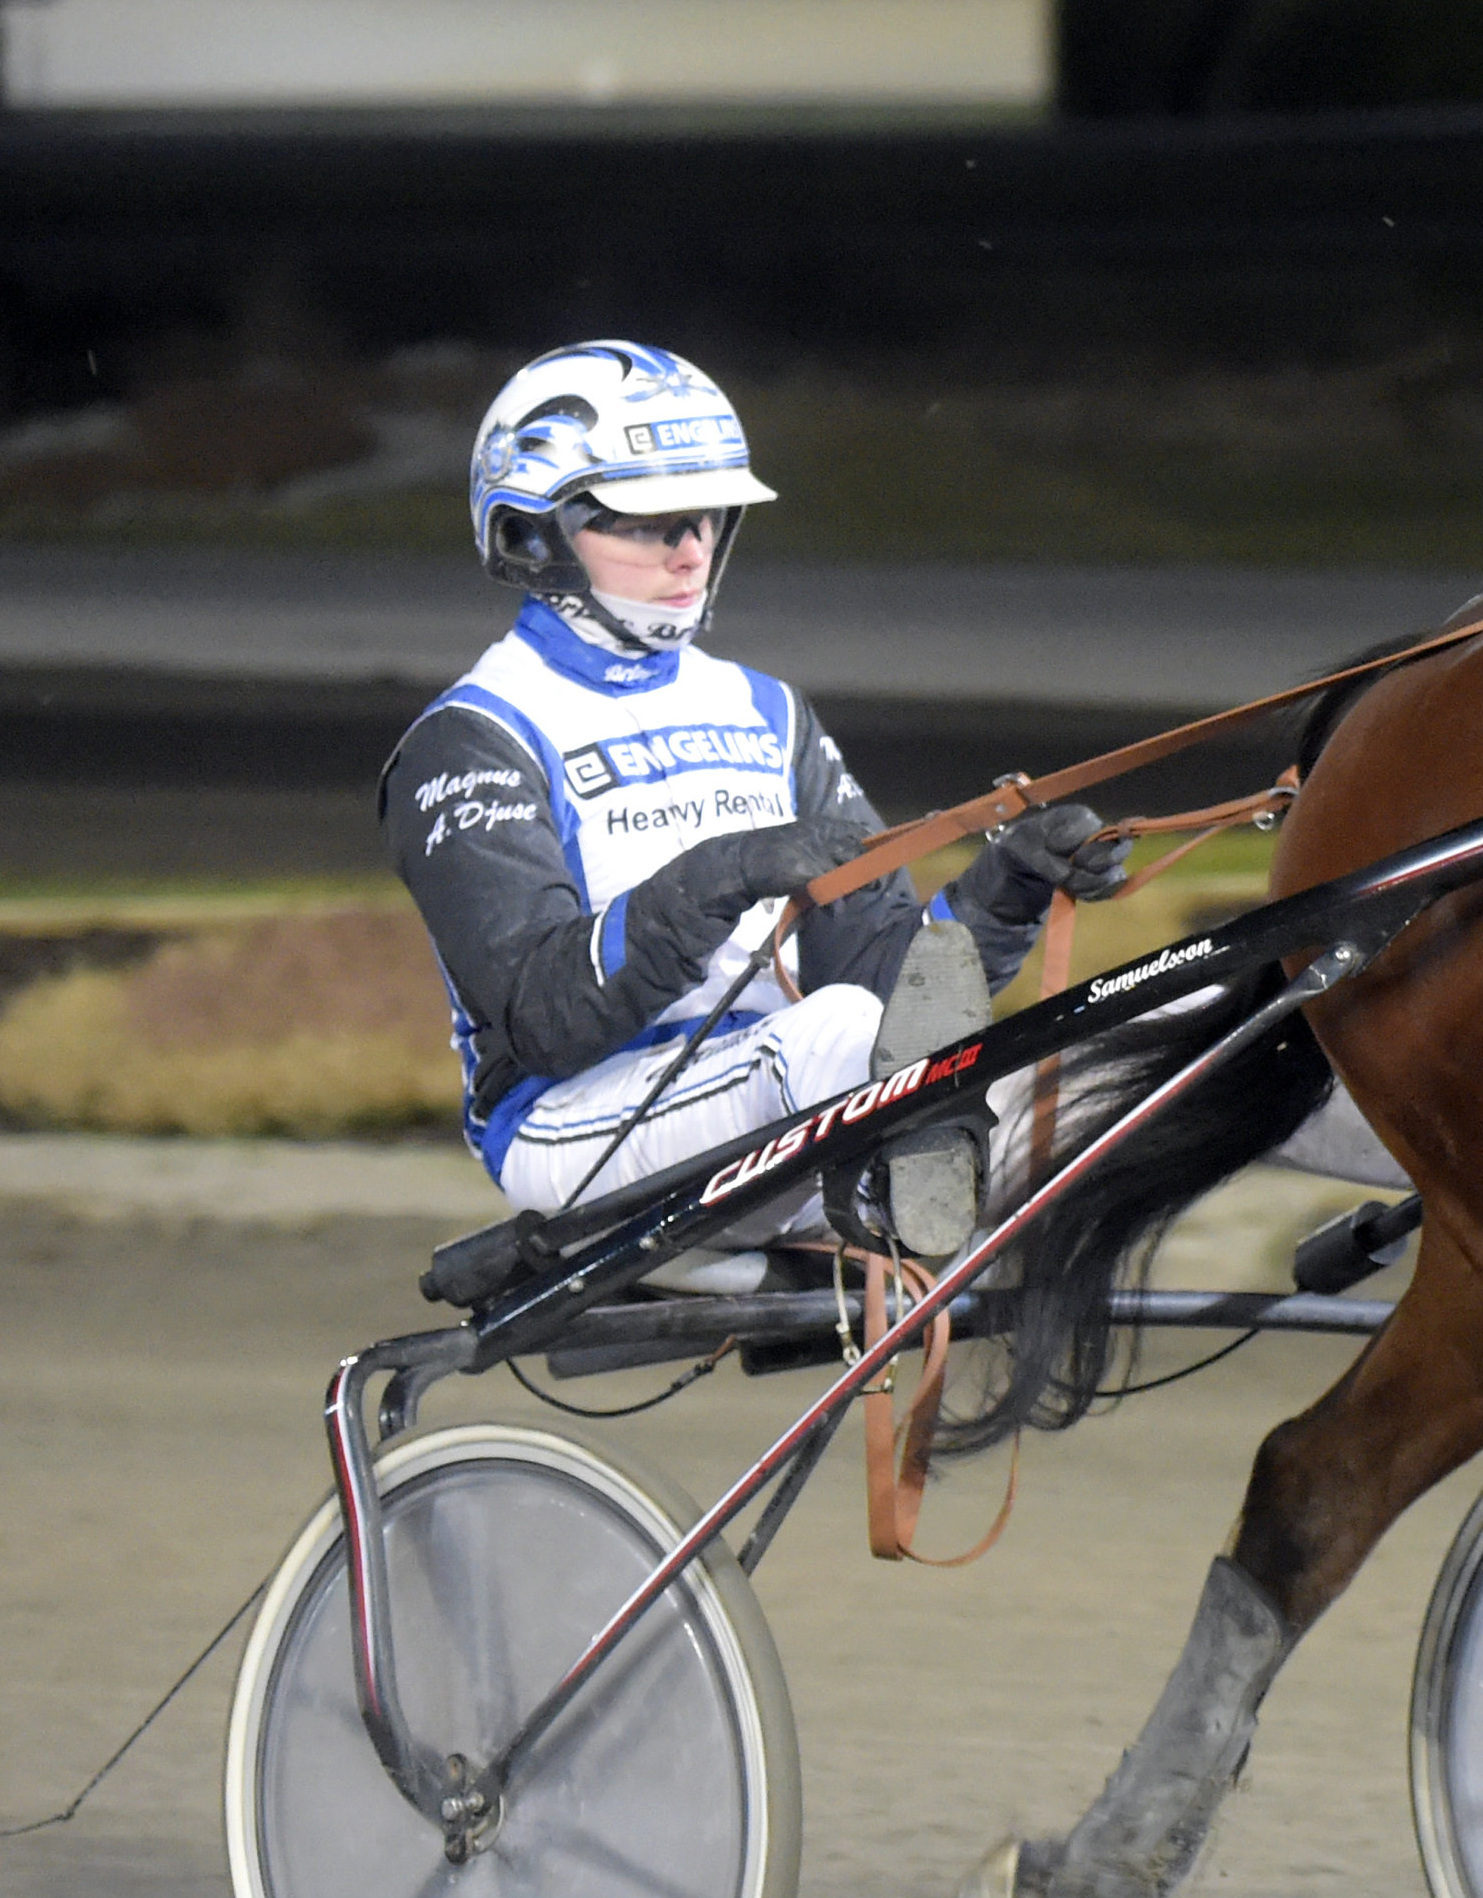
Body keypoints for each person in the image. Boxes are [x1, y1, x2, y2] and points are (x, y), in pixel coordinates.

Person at [381, 341, 1128, 1256]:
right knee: (839, 1037)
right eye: (650, 524)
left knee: (1113, 1047)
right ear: (534, 534)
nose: (692, 551)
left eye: (704, 517)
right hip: (573, 1123)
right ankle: (921, 1217)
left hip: (793, 1094)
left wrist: (1002, 893)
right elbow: (546, 1019)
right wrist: (721, 875)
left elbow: (879, 980)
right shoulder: (471, 739)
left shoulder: (769, 712)